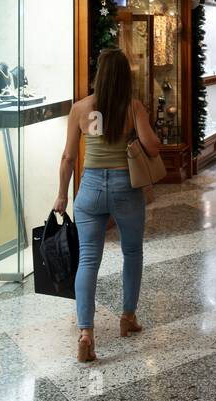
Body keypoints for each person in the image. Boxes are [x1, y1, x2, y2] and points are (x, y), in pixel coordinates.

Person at [55, 47, 162, 363]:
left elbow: (68, 157)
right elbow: (152, 145)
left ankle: (86, 333)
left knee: (88, 259)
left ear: (99, 76)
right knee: (132, 251)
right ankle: (127, 317)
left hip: (89, 190)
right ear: (124, 77)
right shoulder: (133, 107)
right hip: (124, 188)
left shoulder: (80, 109)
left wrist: (62, 195)